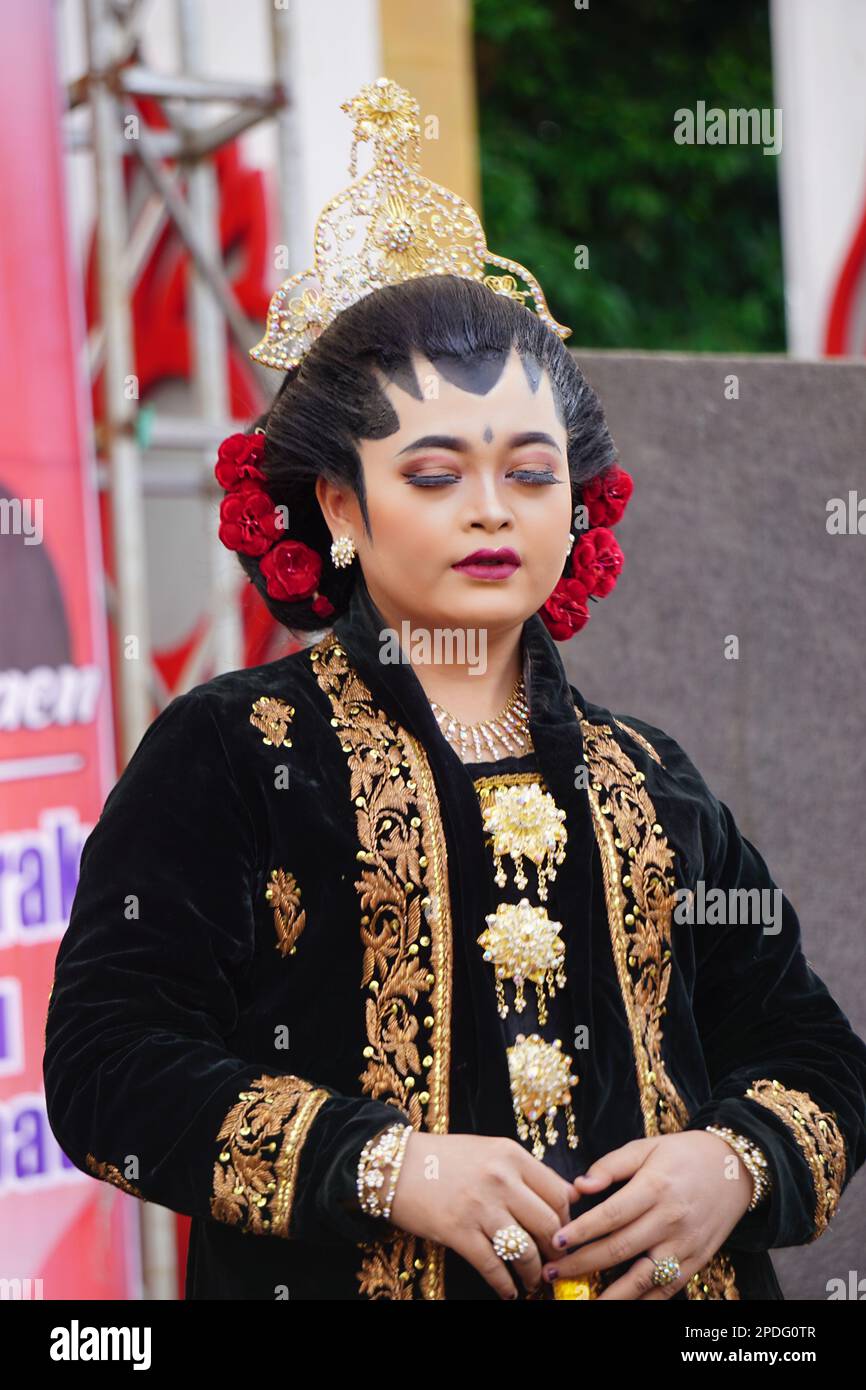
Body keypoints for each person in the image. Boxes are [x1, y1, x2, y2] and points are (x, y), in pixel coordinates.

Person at [44, 78, 866, 1302]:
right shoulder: (231, 751)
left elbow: (814, 1053)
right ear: (337, 502)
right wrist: (381, 1166)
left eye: (530, 474)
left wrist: (730, 1166)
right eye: (434, 473)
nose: (491, 508)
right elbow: (108, 1068)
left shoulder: (647, 776)